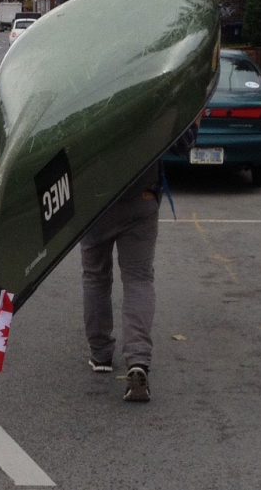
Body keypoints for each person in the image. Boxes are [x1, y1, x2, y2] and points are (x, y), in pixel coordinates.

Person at [82, 125, 196, 402]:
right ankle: (138, 359)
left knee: (96, 276)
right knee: (139, 278)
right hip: (141, 195)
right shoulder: (150, 87)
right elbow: (183, 144)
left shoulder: (85, 89)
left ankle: (101, 354)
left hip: (94, 198)